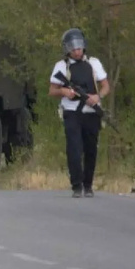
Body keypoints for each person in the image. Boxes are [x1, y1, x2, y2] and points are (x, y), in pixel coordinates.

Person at [49, 28, 110, 198]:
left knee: (91, 149)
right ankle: (76, 185)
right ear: (67, 49)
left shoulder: (94, 63)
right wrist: (64, 92)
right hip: (71, 113)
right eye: (73, 48)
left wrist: (97, 97)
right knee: (74, 149)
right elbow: (52, 90)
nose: (77, 51)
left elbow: (106, 86)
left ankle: (88, 184)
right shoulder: (61, 66)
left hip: (91, 112)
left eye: (79, 47)